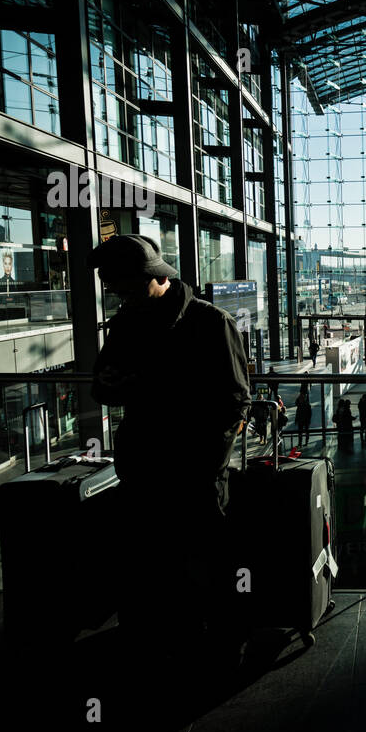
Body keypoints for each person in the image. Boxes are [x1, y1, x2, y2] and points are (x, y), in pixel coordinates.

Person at [87, 234, 250, 653]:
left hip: (191, 472)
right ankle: (171, 643)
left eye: (125, 286)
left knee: (203, 563)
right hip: (149, 468)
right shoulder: (132, 322)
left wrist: (206, 466)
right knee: (155, 563)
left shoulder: (211, 323)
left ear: (154, 279)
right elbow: (104, 386)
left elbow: (235, 404)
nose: (121, 296)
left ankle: (214, 644)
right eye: (115, 288)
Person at [295, 384, 312, 448]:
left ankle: (301, 443)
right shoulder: (306, 405)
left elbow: (296, 405)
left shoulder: (302, 405)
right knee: (303, 432)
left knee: (301, 432)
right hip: (304, 420)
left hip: (303, 420)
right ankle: (303, 443)